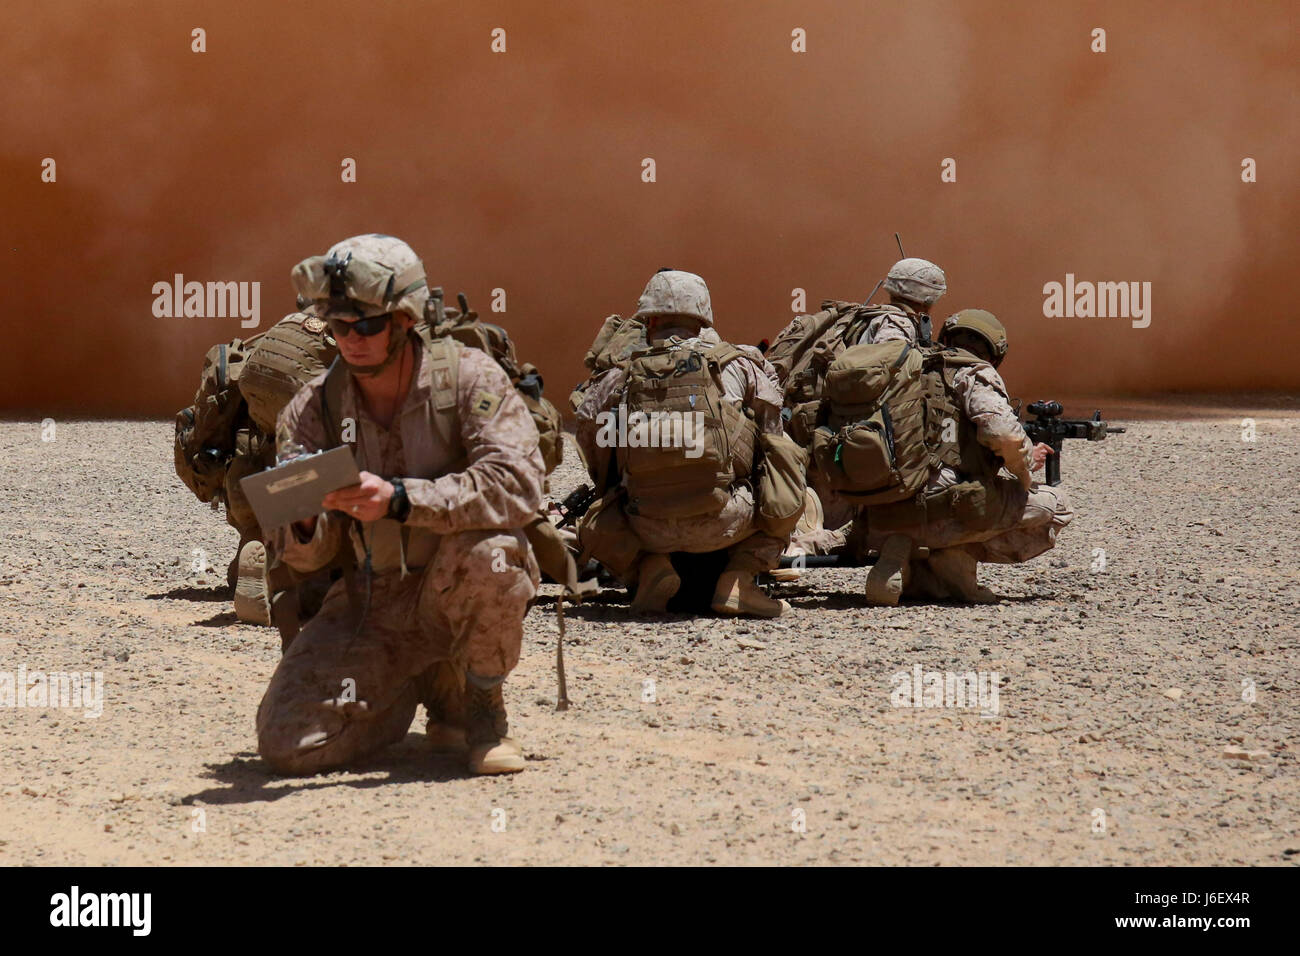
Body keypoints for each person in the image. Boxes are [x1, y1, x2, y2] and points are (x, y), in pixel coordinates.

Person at [255, 234, 545, 776]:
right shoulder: (313, 405)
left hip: (449, 583)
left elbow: (521, 485)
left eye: (367, 325)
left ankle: (481, 709)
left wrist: (402, 499)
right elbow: (299, 559)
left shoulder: (468, 379)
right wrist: (301, 520)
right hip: (369, 602)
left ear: (406, 320)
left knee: (496, 554)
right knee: (288, 747)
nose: (352, 340)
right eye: (339, 326)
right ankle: (417, 685)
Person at [573, 269, 795, 617]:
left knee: (591, 520)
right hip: (726, 520)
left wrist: (613, 483)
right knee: (787, 476)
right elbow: (775, 436)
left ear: (650, 318)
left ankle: (645, 569)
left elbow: (588, 429)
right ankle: (740, 579)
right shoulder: (738, 364)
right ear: (702, 317)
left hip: (644, 525)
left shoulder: (623, 374)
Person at [856, 309, 1073, 604]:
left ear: (945, 337)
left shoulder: (903, 369)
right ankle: (951, 553)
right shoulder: (973, 373)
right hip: (939, 513)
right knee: (1058, 506)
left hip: (877, 515)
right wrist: (1025, 469)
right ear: (994, 355)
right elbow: (1005, 435)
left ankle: (914, 562)